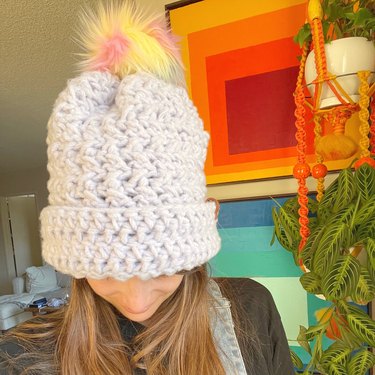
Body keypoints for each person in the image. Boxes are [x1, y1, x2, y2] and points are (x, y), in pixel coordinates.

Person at [0, 2, 294, 374]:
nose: (136, 301)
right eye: (106, 266)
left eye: (161, 266)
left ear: (209, 218)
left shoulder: (253, 310)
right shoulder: (20, 358)